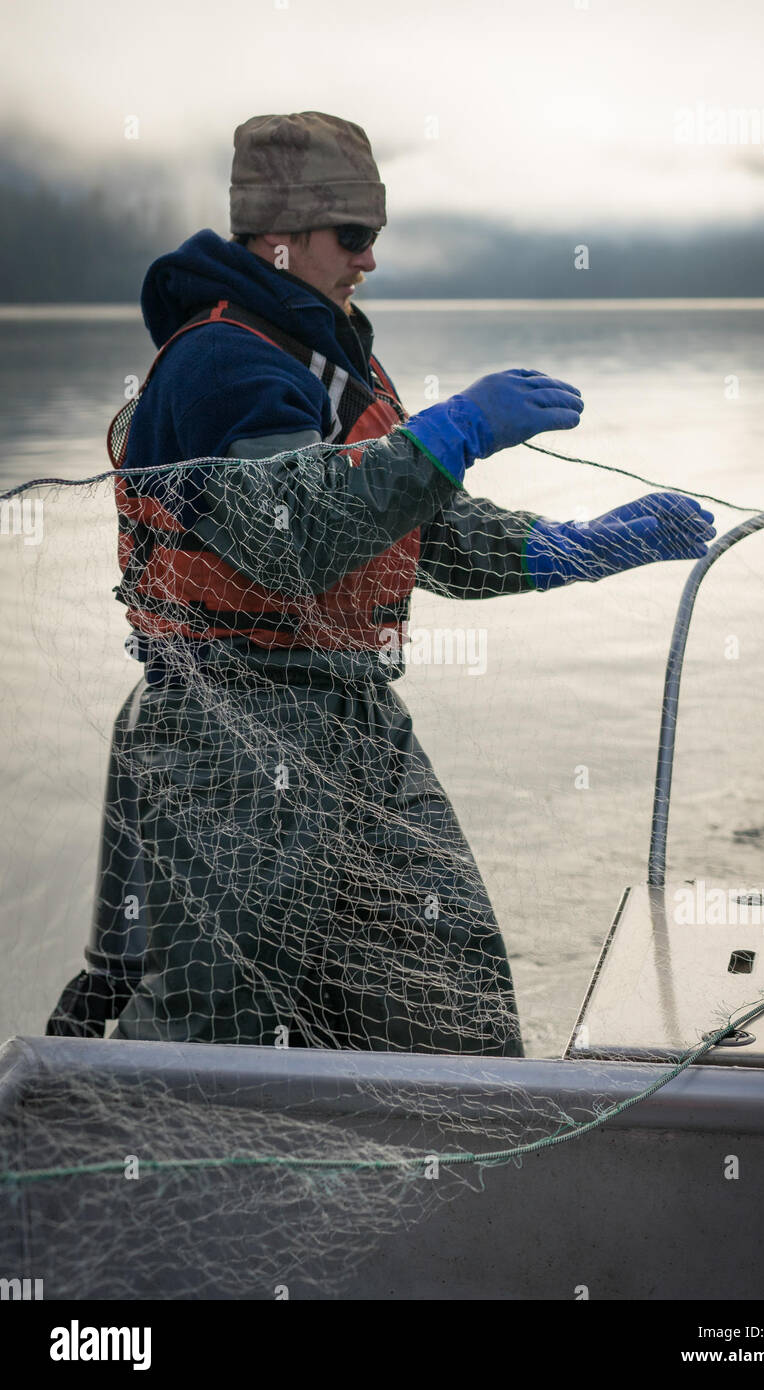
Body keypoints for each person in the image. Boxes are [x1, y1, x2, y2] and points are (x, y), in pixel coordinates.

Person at [46, 111, 714, 1052]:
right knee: (214, 1023)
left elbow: (418, 535)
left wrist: (577, 547)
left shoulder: (332, 356)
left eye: (376, 237)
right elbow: (296, 537)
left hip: (359, 724)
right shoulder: (224, 362)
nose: (369, 261)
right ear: (278, 236)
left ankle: (456, 1175)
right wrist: (453, 432)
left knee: (452, 993)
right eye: (352, 236)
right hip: (231, 737)